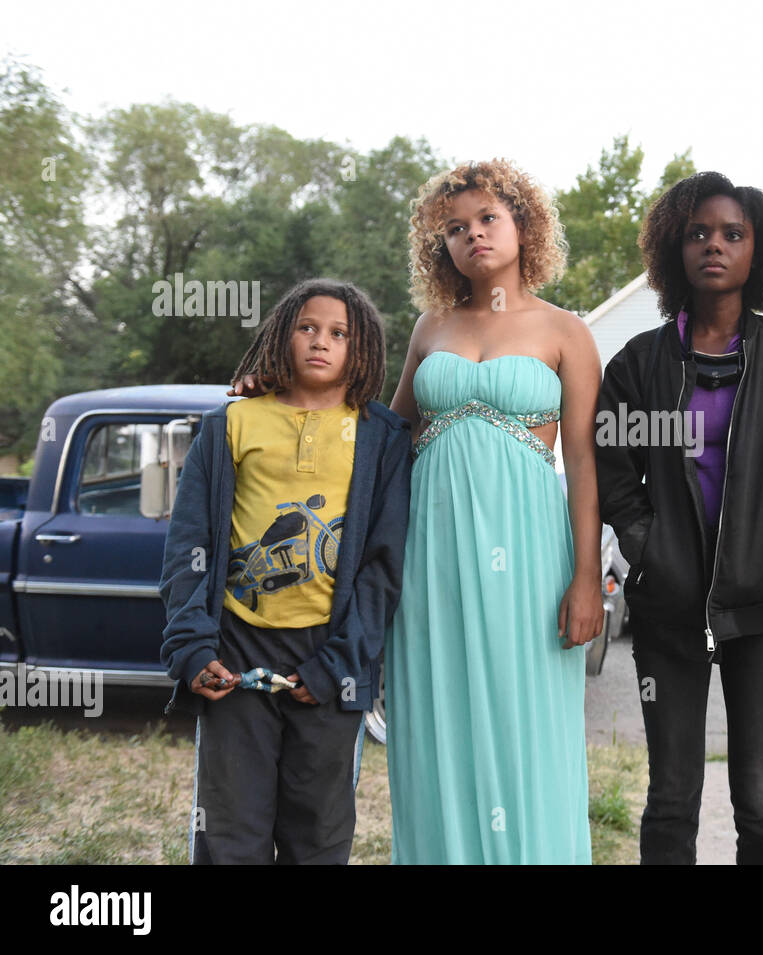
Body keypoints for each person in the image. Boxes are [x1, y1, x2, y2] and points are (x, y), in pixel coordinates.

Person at [596, 171, 763, 864]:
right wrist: (648, 546)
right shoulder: (642, 363)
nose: (715, 245)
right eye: (698, 233)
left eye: (733, 234)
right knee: (670, 797)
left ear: (758, 253)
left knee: (762, 800)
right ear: (674, 250)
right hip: (667, 603)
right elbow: (615, 474)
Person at [386, 158, 603, 864]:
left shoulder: (565, 330)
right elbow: (386, 443)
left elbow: (582, 462)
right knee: (440, 717)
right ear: (438, 246)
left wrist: (585, 578)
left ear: (523, 225)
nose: (473, 235)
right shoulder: (429, 328)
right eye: (455, 228)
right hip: (433, 554)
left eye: (488, 218)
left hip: (530, 556)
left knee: (523, 719)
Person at [160, 278, 412, 864]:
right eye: (307, 327)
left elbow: (383, 567)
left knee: (317, 836)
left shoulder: (383, 438)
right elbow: (188, 544)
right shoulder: (231, 424)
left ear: (362, 348)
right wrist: (193, 648)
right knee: (229, 831)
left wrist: (338, 665)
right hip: (235, 648)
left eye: (339, 333)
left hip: (328, 661)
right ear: (282, 334)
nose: (320, 342)